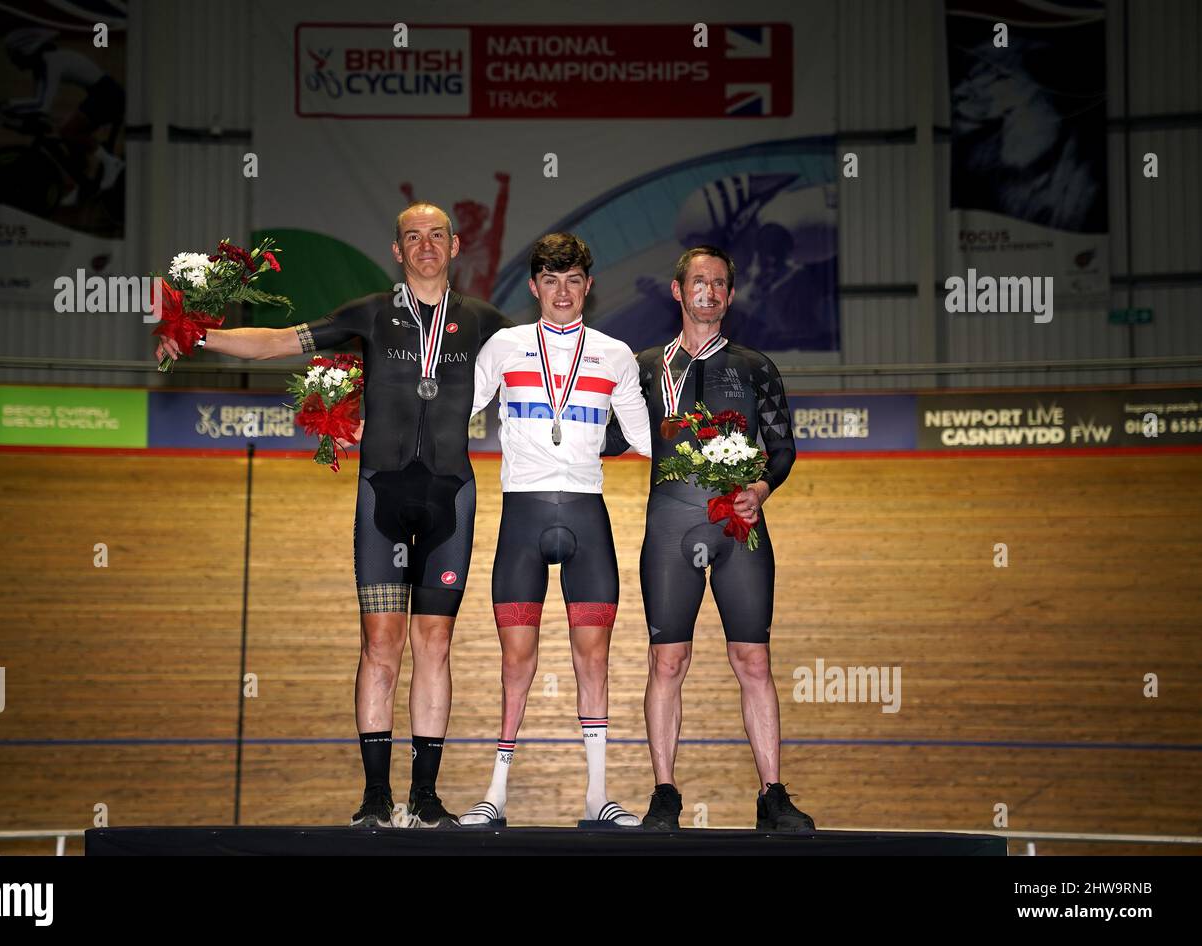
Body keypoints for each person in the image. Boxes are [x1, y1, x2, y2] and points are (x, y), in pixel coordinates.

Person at [155, 203, 511, 828]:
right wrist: (193, 331)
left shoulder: (487, 323)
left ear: (455, 247)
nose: (425, 246)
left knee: (435, 644)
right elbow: (273, 344)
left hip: (450, 500)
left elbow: (556, 358)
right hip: (382, 495)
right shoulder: (371, 312)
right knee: (380, 646)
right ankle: (376, 797)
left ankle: (425, 798)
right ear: (398, 251)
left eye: (437, 236)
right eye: (412, 238)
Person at [602, 245, 816, 832]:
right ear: (678, 291)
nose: (709, 291)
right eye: (699, 281)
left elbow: (782, 447)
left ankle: (772, 794)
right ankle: (665, 794)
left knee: (753, 659)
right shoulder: (644, 366)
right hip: (670, 524)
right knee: (667, 661)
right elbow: (615, 439)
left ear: (729, 294)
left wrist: (762, 490)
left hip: (738, 525)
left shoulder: (755, 367)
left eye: (720, 283)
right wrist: (558, 428)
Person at [460, 233, 651, 828]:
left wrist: (722, 463)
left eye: (573, 281)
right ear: (535, 286)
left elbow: (649, 441)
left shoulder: (616, 355)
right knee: (516, 662)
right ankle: (495, 794)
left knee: (593, 660)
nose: (562, 292)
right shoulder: (505, 346)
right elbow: (448, 412)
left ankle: (597, 798)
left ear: (588, 287)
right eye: (551, 280)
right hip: (523, 516)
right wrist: (376, 421)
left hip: (588, 517)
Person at [0, 28, 126, 202]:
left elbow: (43, 105)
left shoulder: (52, 62)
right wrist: (12, 108)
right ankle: (84, 185)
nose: (12, 62)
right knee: (66, 133)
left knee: (68, 131)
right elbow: (38, 102)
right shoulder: (41, 65)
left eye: (14, 56)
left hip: (108, 95)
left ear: (27, 52)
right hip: (101, 94)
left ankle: (111, 162)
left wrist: (9, 105)